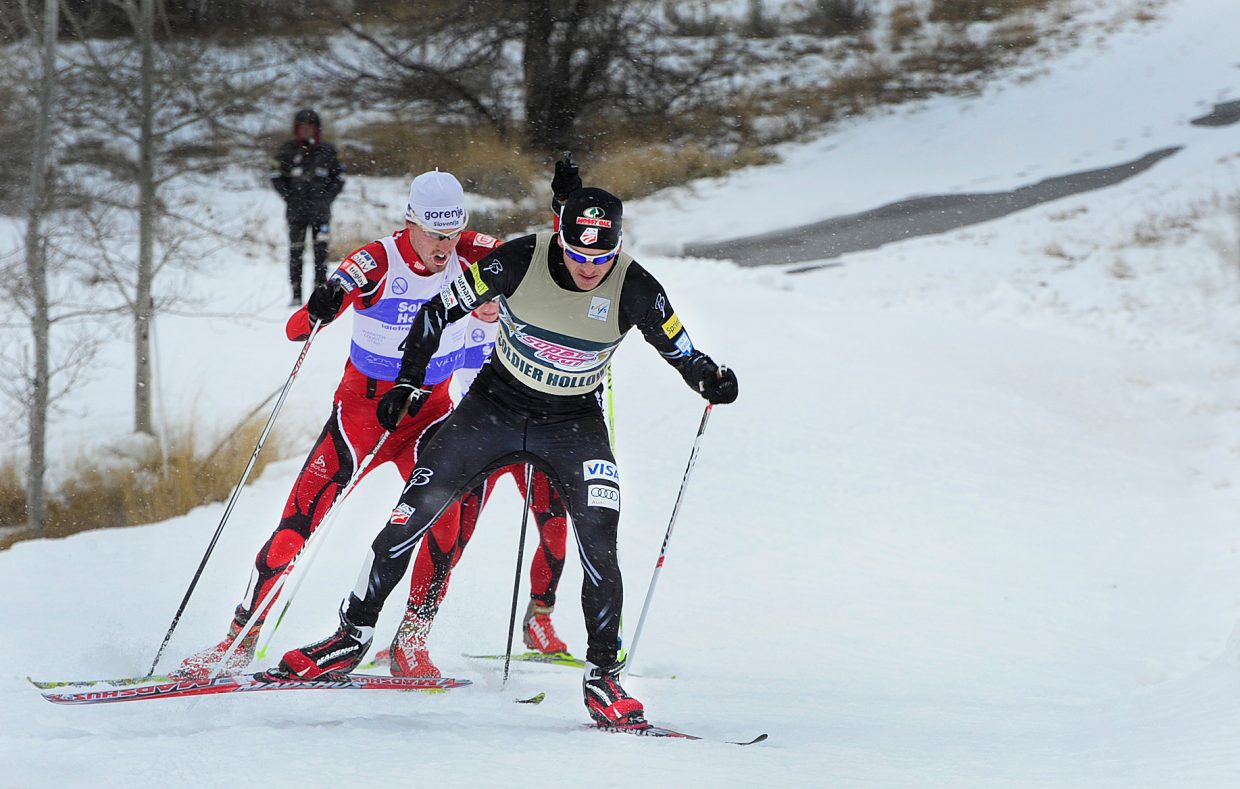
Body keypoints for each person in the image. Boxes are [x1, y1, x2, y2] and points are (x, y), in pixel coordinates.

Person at [277, 172, 740, 728]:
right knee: (411, 515)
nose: (588, 268)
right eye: (577, 254)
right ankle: (351, 635)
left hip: (572, 424)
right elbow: (435, 312)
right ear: (561, 238)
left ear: (617, 247)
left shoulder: (636, 287)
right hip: (491, 410)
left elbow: (683, 351)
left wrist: (710, 379)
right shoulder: (519, 259)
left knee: (599, 537)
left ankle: (602, 677)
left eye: (601, 257)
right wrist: (409, 381)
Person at [175, 170, 501, 679]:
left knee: (446, 523)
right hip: (362, 418)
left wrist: (565, 210)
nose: (445, 246)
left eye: (453, 233)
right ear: (410, 222)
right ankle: (238, 639)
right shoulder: (376, 261)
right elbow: (297, 329)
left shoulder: (473, 252)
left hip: (428, 416)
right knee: (297, 525)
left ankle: (411, 640)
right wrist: (319, 308)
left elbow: (551, 260)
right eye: (435, 234)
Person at [373, 162, 590, 677]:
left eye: (499, 298)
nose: (491, 307)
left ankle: (540, 618)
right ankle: (410, 635)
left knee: (556, 526)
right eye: (484, 298)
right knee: (452, 537)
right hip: (478, 434)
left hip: (534, 425)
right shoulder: (454, 315)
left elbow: (558, 264)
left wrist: (564, 210)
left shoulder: (520, 306)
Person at [271, 108, 346, 306]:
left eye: (310, 127)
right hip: (296, 213)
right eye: (302, 127)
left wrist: (326, 199)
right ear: (297, 128)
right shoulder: (287, 150)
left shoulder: (328, 151)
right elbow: (276, 177)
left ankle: (319, 295)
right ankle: (296, 295)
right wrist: (290, 198)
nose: (306, 130)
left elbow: (339, 179)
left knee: (321, 254)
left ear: (316, 129)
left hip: (321, 213)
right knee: (295, 253)